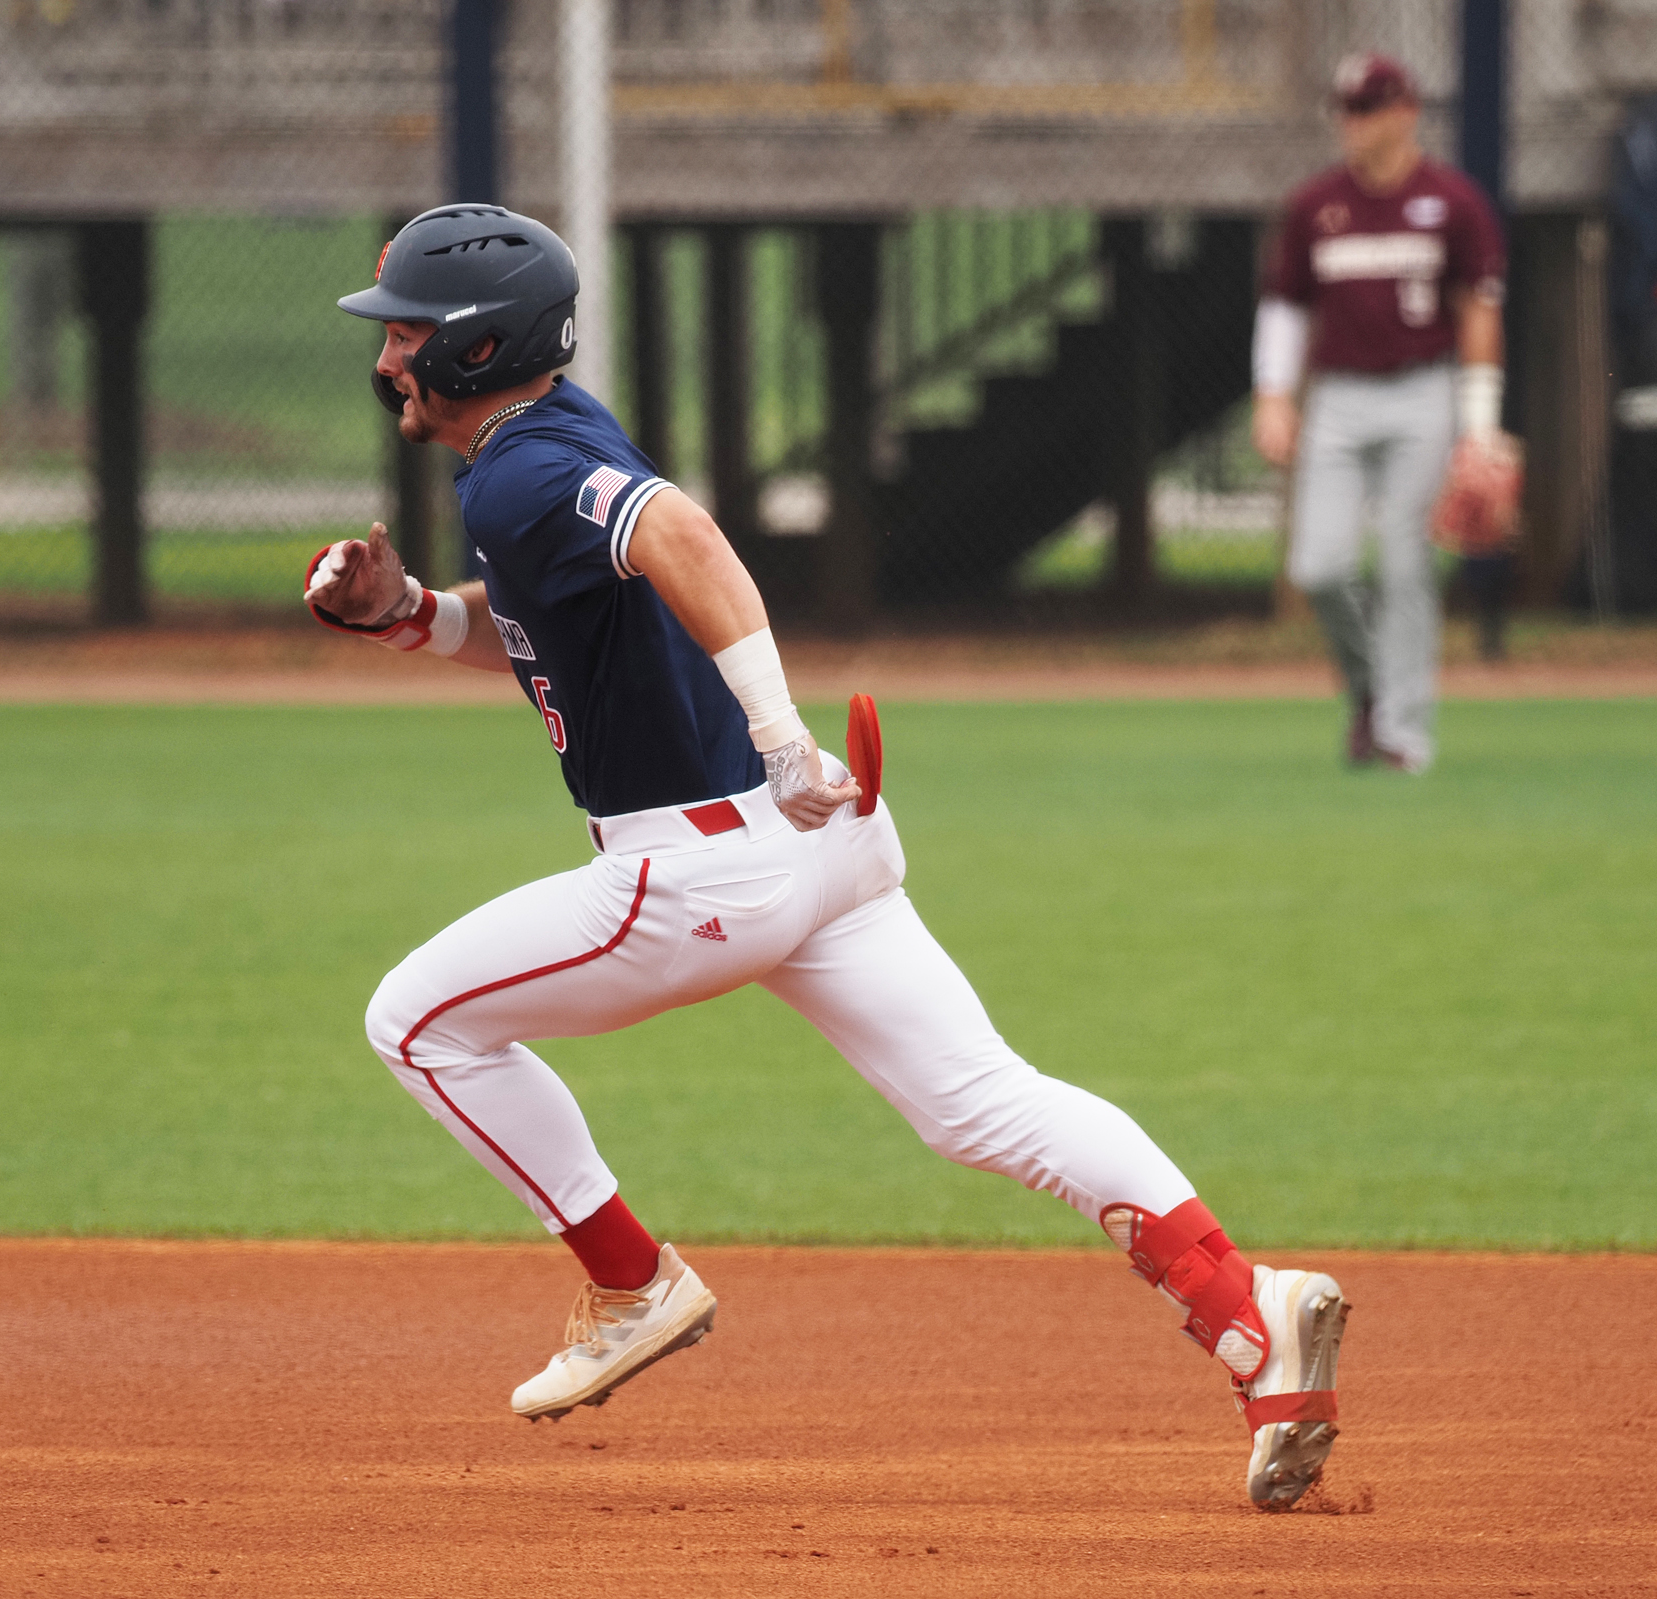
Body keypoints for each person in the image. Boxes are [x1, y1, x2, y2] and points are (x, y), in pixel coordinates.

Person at [311, 204, 1347, 1508]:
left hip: (704, 867)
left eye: (404, 329)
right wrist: (405, 617)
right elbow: (544, 623)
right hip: (820, 851)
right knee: (984, 1101)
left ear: (469, 347)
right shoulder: (544, 439)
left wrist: (782, 732)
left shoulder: (520, 472)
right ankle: (1249, 1308)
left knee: (414, 1019)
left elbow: (683, 538)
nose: (387, 353)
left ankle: (632, 1278)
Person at [1253, 52, 1509, 772]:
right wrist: (1274, 397)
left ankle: (1403, 730)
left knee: (1405, 564)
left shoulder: (1452, 202)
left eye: (1365, 109)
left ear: (1405, 112)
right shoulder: (1316, 205)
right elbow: (1284, 307)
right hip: (1338, 395)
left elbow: (1480, 311)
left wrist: (1481, 424)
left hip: (1423, 388)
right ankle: (1369, 688)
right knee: (1320, 564)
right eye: (1344, 109)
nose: (1351, 123)